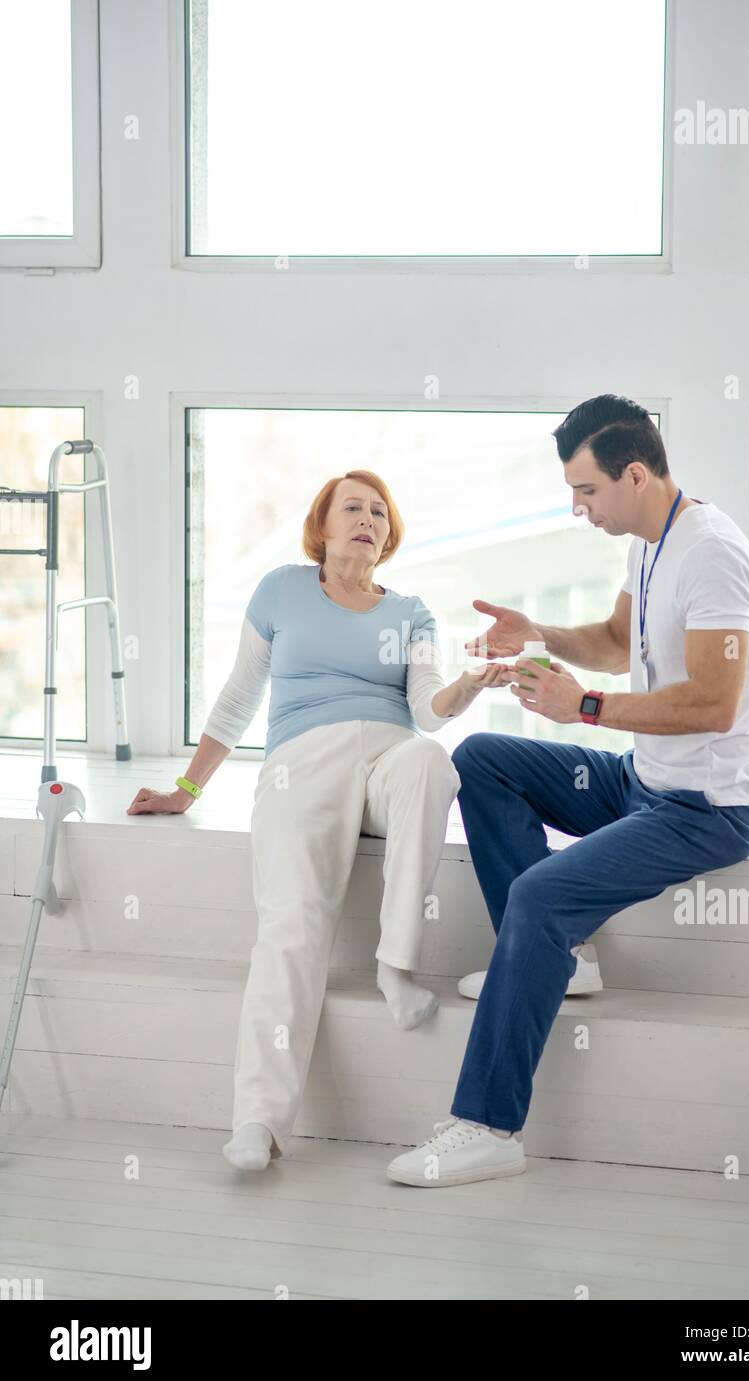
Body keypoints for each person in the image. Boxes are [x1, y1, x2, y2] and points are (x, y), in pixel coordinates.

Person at [387, 394, 749, 1188]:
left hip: (708, 810)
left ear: (635, 473)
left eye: (587, 490)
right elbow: (609, 640)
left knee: (537, 896)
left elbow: (714, 701)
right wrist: (538, 634)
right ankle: (570, 962)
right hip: (645, 781)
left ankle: (489, 1127)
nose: (577, 507)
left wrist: (586, 707)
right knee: (486, 758)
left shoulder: (713, 554)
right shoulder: (649, 541)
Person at [126, 470, 511, 1170]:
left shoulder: (413, 613)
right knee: (291, 926)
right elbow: (240, 695)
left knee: (432, 761)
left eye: (378, 512)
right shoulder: (283, 590)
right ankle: (257, 1123)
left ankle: (396, 966)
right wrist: (186, 789)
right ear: (323, 526)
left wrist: (470, 684)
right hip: (301, 764)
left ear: (388, 535)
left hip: (390, 757)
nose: (367, 519)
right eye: (352, 509)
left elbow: (428, 708)